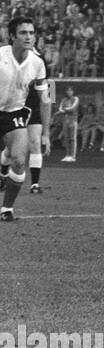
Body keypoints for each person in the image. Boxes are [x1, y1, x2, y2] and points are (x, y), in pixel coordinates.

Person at [0, 17, 50, 220]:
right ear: (12, 36)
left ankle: (6, 210)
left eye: (31, 33)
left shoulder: (38, 63)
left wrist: (46, 132)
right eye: (23, 32)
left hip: (14, 113)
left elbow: (46, 98)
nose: (29, 36)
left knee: (20, 160)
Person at [57, 85, 79, 163]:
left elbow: (73, 108)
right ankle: (67, 155)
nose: (69, 92)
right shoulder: (64, 99)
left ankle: (73, 156)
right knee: (66, 138)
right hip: (65, 120)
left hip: (73, 121)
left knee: (72, 138)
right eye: (68, 91)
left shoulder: (76, 99)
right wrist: (64, 110)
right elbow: (60, 108)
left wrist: (64, 110)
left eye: (71, 91)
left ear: (73, 92)